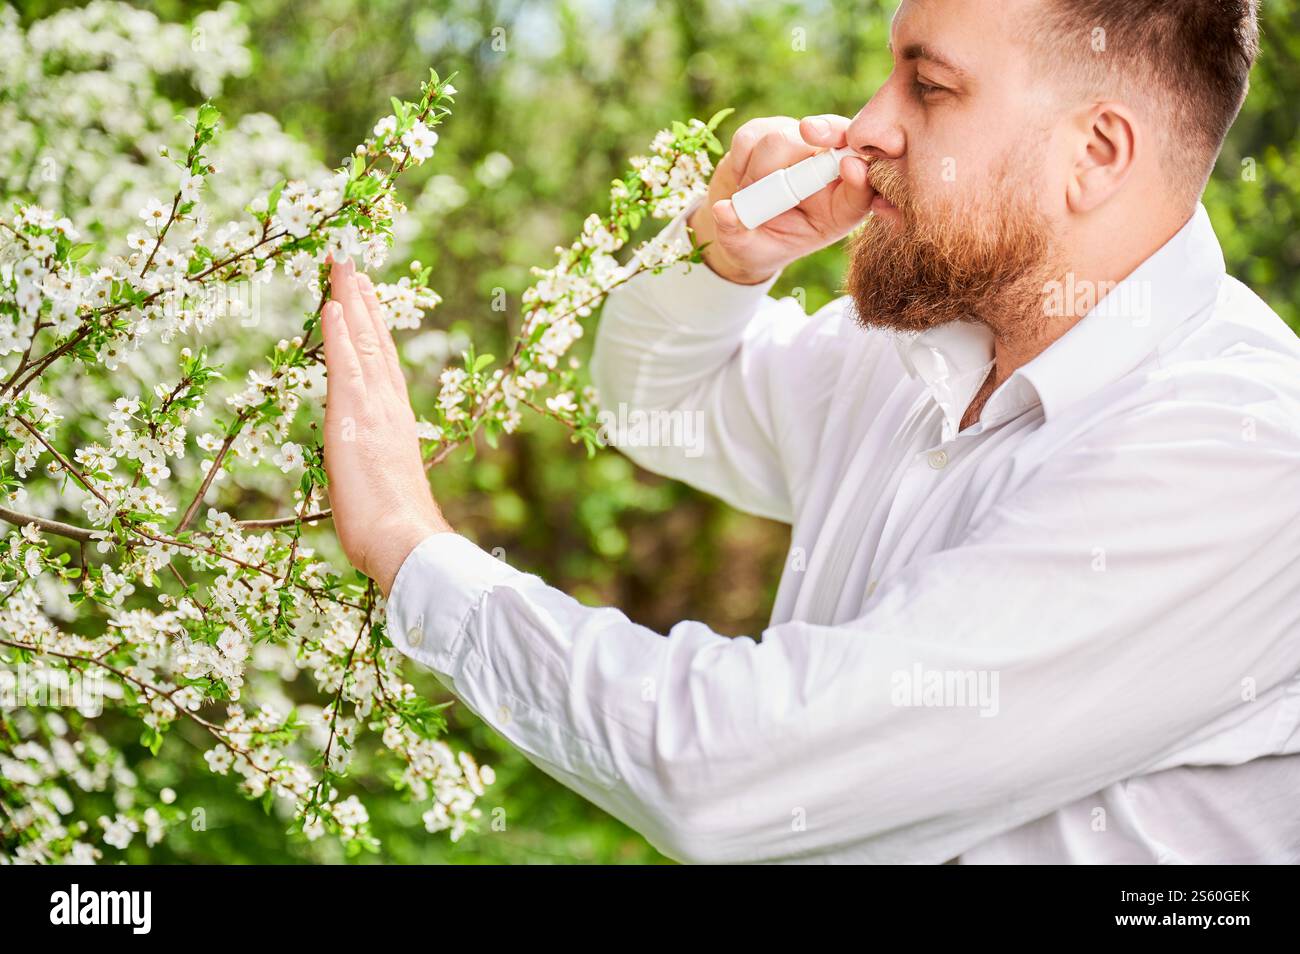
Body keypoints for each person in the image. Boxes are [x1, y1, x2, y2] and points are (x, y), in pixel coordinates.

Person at [320, 0, 1300, 863]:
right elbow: (659, 403)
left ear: (1093, 154)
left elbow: (737, 774)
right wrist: (723, 266)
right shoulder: (922, 351)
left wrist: (415, 553)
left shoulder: (1241, 456)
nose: (869, 125)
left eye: (930, 88)